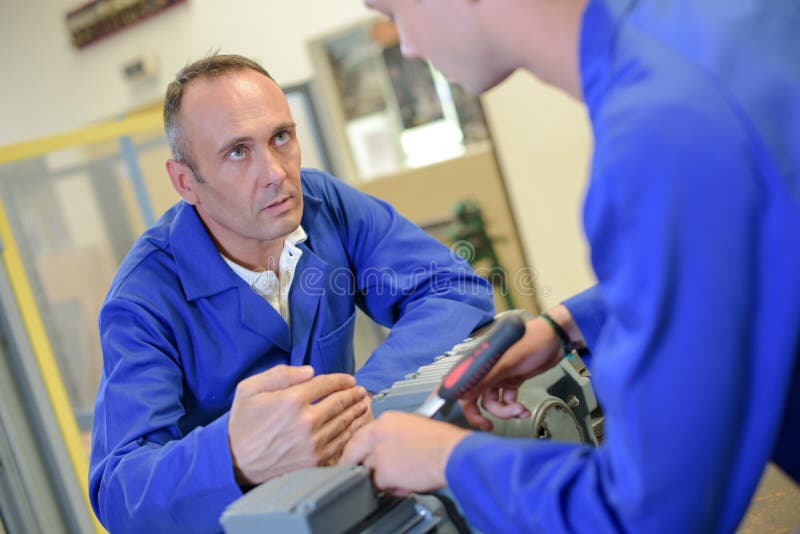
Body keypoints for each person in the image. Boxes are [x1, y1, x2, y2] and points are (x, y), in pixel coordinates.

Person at [343, 0, 800, 532]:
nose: (407, 46)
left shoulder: (658, 134)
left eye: (395, 11)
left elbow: (648, 516)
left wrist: (447, 459)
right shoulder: (722, 30)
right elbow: (743, 249)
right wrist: (569, 325)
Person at [88, 54, 495, 533]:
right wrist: (236, 456)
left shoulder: (326, 207)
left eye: (281, 137)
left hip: (360, 503)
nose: (275, 172)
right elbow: (119, 490)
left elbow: (453, 288)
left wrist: (360, 397)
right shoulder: (144, 302)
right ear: (185, 182)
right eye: (237, 152)